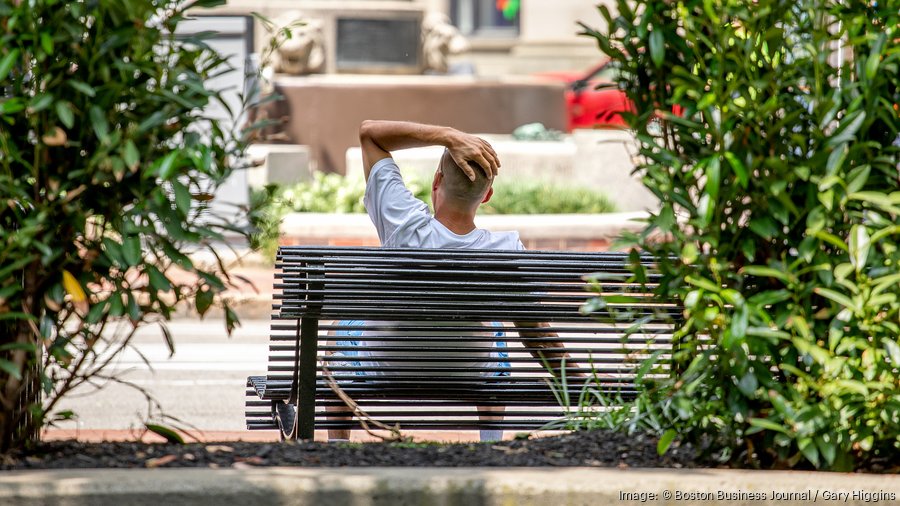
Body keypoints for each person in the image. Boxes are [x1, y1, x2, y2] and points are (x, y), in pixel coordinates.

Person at [327, 120, 579, 442]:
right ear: (487, 195)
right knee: (498, 331)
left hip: (385, 368)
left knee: (340, 325)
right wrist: (587, 382)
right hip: (469, 373)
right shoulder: (506, 252)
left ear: (436, 181)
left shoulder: (403, 225)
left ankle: (338, 444)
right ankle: (491, 444)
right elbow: (539, 340)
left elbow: (370, 133)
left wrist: (447, 136)